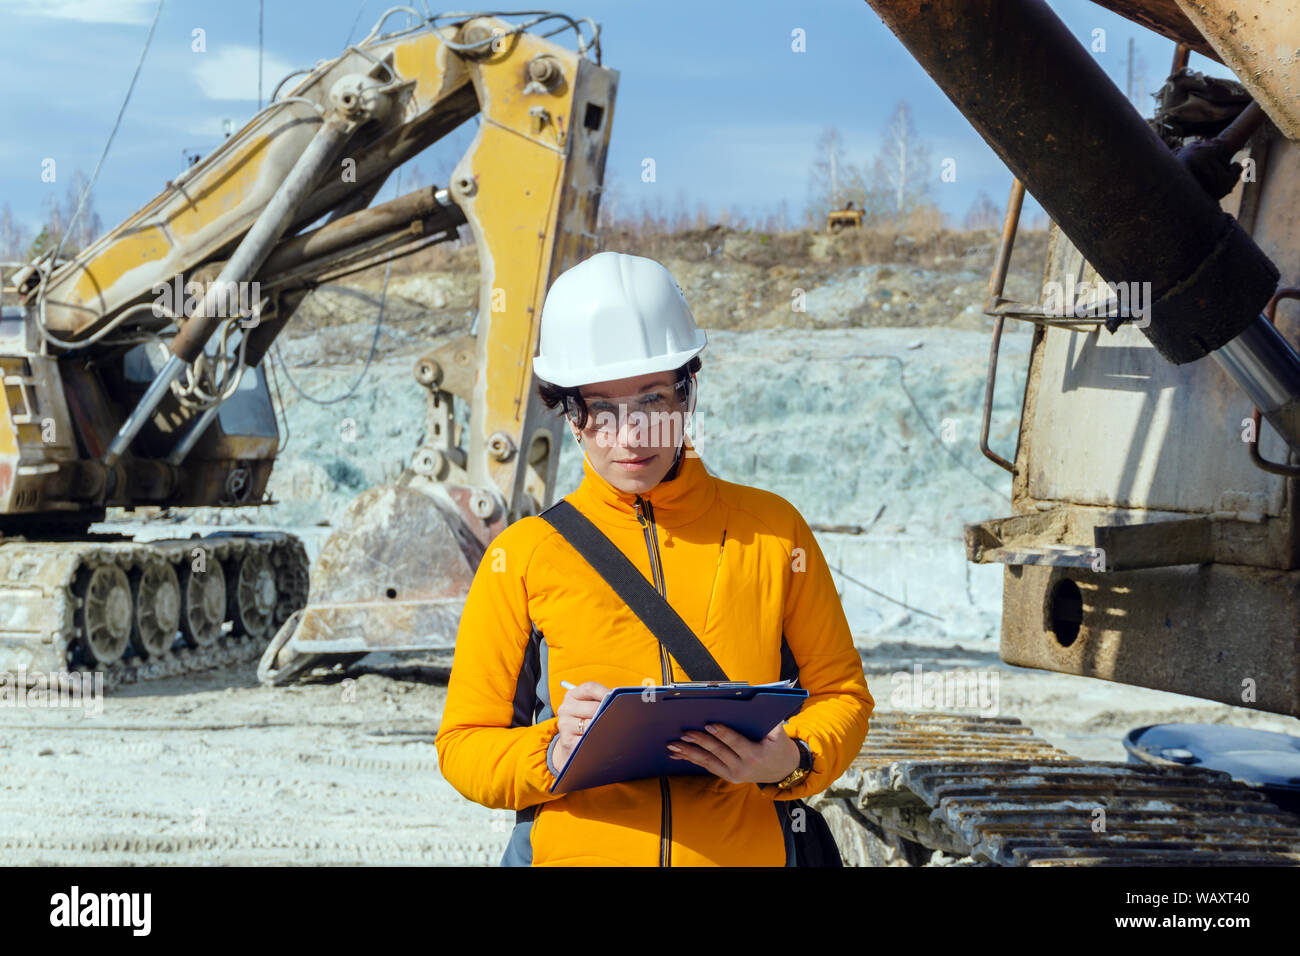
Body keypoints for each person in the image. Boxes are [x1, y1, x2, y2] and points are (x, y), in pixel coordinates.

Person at [434, 251, 874, 866]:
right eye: (599, 409)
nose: (630, 436)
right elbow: (463, 745)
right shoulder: (524, 556)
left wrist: (790, 759)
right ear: (569, 413)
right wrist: (553, 752)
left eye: (651, 401)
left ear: (687, 393)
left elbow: (843, 697)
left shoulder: (774, 533)